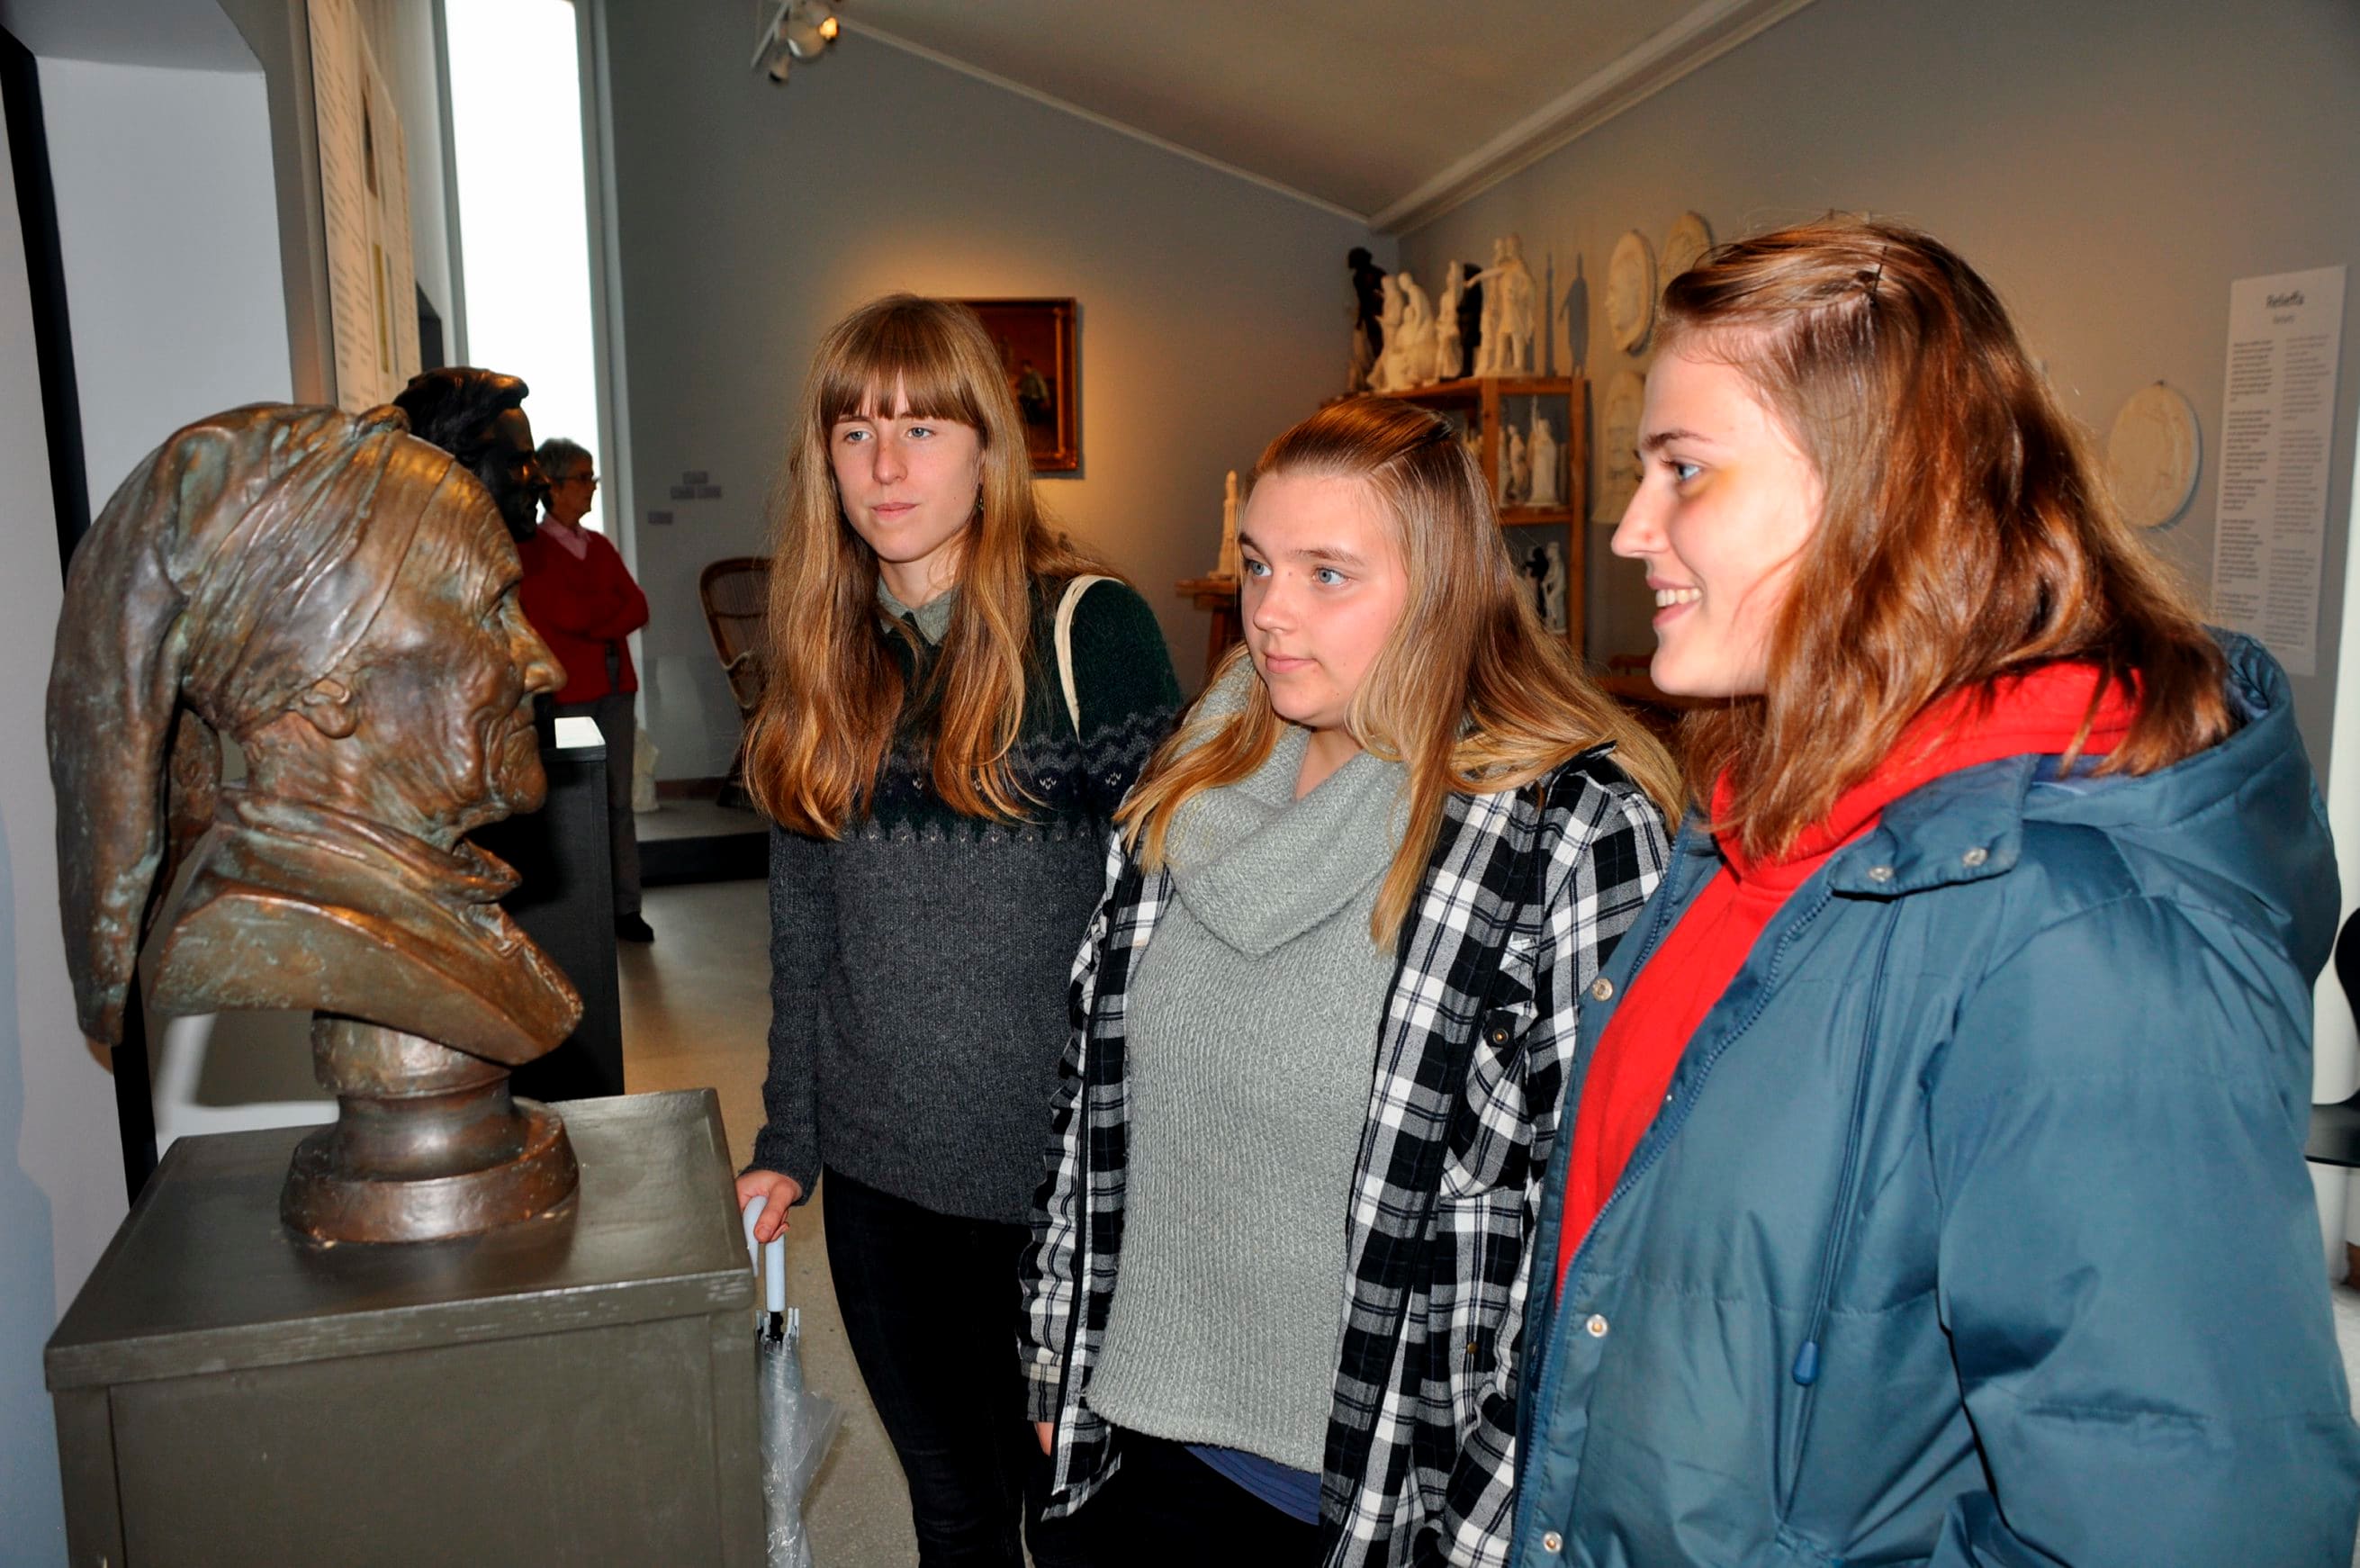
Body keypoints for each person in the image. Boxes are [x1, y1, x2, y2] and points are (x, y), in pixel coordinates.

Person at [1515, 217, 2360, 1564]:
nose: (1628, 529)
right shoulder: (1757, 820)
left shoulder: (2080, 933)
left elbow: (2186, 1514)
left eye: (1682, 469)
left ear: (1875, 493)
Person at [1020, 397, 1680, 1566]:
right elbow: (1090, 1097)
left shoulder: (1559, 833)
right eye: (1259, 564)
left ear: (1441, 589)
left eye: (1328, 574)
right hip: (1133, 1436)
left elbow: (1595, 1233)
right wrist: (1056, 1345)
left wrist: (1489, 1518)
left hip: (1370, 1493)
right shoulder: (1194, 770)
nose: (1267, 612)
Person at [734, 294, 1183, 1566]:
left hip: (1070, 1184)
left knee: (1080, 1513)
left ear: (989, 449)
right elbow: (803, 932)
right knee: (957, 1513)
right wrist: (788, 1138)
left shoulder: (1089, 629)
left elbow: (1175, 907)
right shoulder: (821, 657)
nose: (885, 466)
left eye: (923, 429)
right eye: (856, 430)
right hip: (883, 1182)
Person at [518, 437, 653, 943]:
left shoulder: (598, 545)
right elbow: (561, 614)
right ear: (551, 486)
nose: (591, 486)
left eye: (592, 476)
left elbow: (638, 606)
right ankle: (582, 909)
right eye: (583, 477)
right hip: (570, 694)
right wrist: (606, 616)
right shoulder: (531, 549)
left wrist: (596, 619)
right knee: (575, 804)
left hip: (616, 688)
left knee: (618, 801)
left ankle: (626, 907)